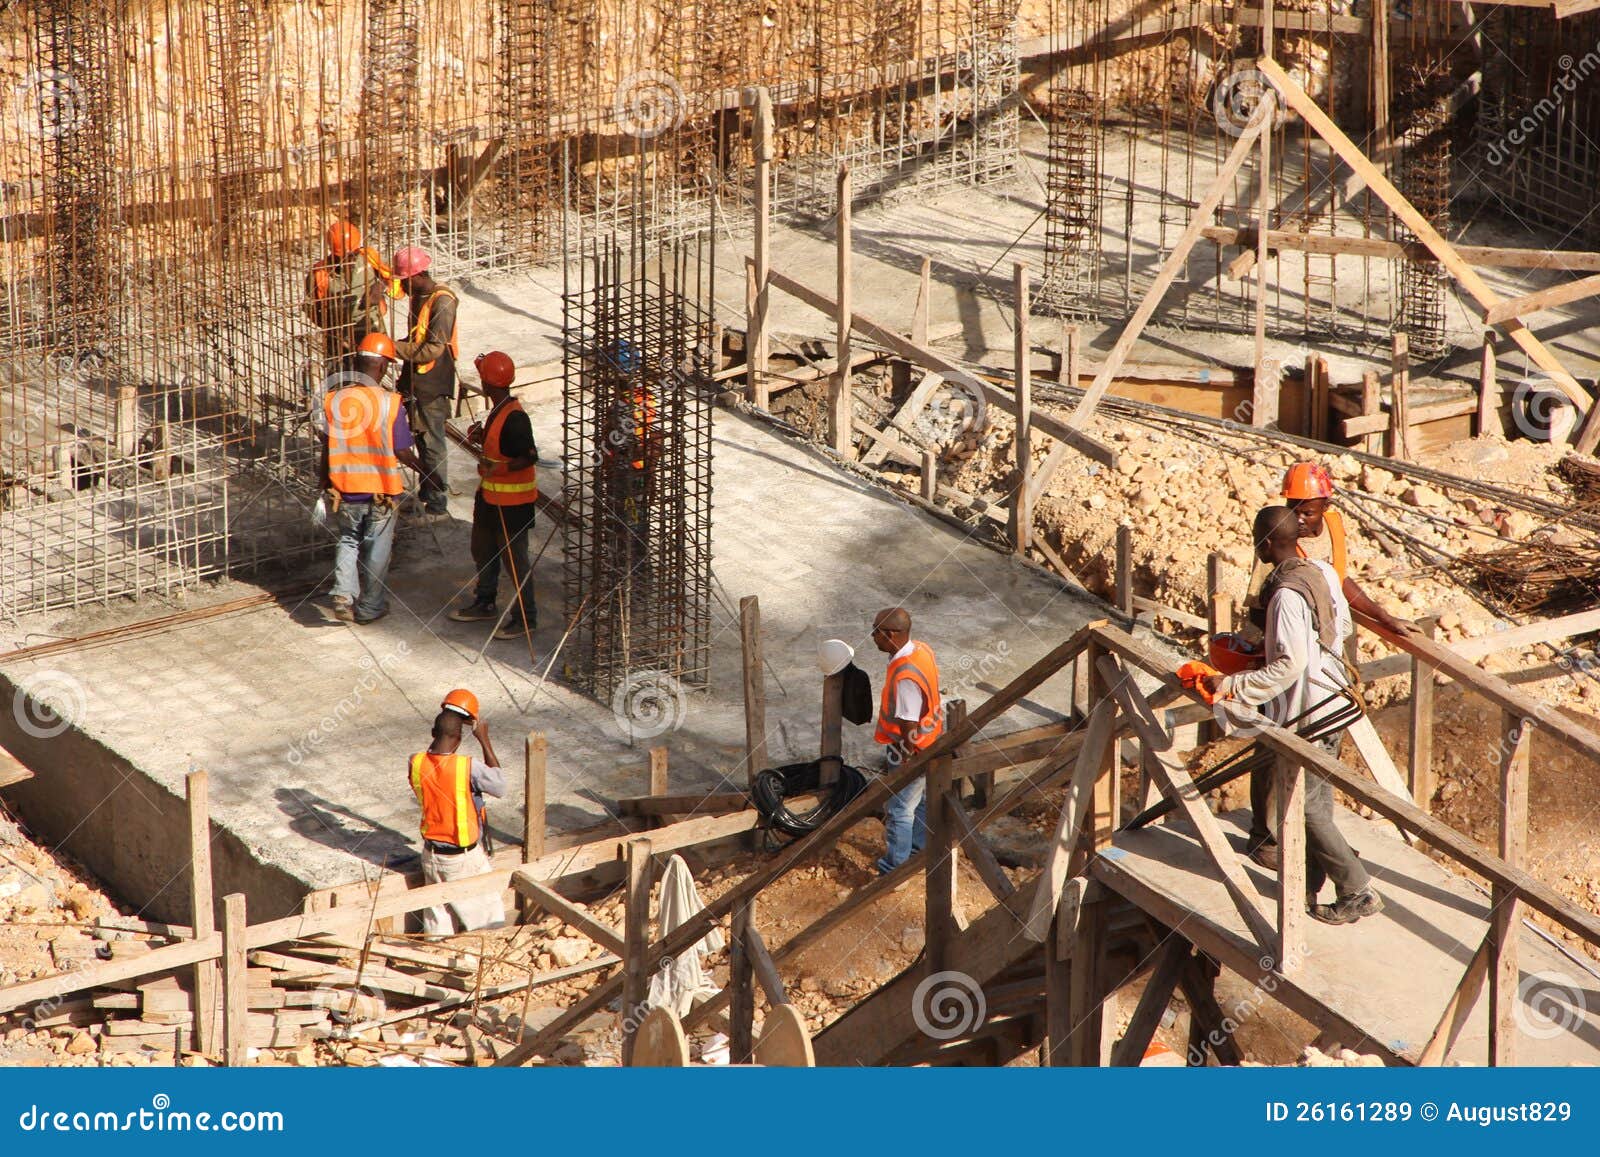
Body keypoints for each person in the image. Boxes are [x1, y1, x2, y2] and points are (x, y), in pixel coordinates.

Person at [1204, 507, 1383, 926]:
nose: (1256, 547)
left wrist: (1233, 684)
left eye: (1257, 539)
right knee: (1317, 803)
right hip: (1335, 698)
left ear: (1267, 543)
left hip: (1311, 709)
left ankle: (1357, 889)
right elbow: (1341, 630)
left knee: (1306, 809)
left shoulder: (1285, 595)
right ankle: (1309, 882)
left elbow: (1290, 664)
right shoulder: (1320, 573)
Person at [321, 333, 425, 625]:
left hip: (345, 490)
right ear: (382, 366)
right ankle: (369, 608)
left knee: (348, 540)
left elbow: (326, 448)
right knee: (377, 551)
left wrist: (322, 481)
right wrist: (427, 471)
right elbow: (402, 451)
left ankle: (343, 596)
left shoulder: (334, 400)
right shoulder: (389, 403)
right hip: (380, 491)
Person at [1264, 461, 1414, 638]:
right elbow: (1259, 607)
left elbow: (1340, 578)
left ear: (1326, 506)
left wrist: (1386, 618)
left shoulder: (1333, 525)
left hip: (1333, 630)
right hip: (1300, 636)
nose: (1299, 520)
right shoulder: (1280, 541)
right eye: (1293, 510)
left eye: (1307, 513)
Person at [448, 351, 540, 638]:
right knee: (483, 551)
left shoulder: (515, 418)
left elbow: (529, 456)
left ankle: (526, 617)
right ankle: (485, 602)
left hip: (513, 506)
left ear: (487, 383)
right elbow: (501, 446)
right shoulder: (499, 410)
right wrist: (482, 437)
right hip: (489, 499)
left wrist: (499, 469)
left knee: (516, 563)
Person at [408, 690, 507, 934]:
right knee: (489, 925)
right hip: (462, 860)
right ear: (460, 738)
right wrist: (484, 739)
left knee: (438, 927)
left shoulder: (415, 762)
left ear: (433, 733)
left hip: (431, 857)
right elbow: (500, 786)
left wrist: (450, 723)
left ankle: (435, 956)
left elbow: (436, 757)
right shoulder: (467, 767)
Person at [870, 607, 944, 875]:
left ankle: (894, 869)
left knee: (899, 809)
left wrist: (906, 758)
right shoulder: (921, 650)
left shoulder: (905, 676)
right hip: (930, 740)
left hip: (910, 748)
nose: (873, 636)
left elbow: (908, 721)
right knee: (919, 800)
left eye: (876, 631)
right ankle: (917, 849)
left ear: (890, 635)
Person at [392, 246, 458, 522]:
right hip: (416, 380)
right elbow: (415, 339)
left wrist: (392, 347)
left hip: (433, 383)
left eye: (404, 280)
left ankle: (437, 504)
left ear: (417, 276)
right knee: (420, 438)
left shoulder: (443, 302)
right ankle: (427, 493)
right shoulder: (419, 296)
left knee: (432, 442)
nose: (401, 286)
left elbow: (433, 348)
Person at [304, 220, 388, 378]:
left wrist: (381, 287)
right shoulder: (320, 273)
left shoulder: (369, 256)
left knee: (372, 380)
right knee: (341, 381)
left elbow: (393, 278)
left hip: (372, 330)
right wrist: (333, 329)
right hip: (339, 341)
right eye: (345, 256)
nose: (351, 258)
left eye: (354, 253)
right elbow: (311, 308)